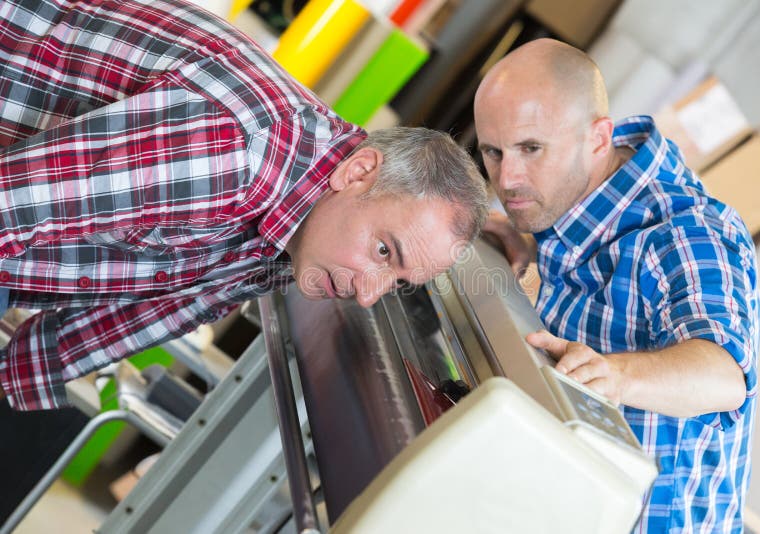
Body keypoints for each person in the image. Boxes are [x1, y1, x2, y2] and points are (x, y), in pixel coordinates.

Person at [0, 0, 488, 411]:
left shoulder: (300, 233)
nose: (367, 294)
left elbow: (163, 310)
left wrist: (15, 379)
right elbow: (11, 205)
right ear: (358, 173)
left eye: (397, 284)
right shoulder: (235, 151)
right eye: (385, 253)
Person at [475, 39, 759, 533]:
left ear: (598, 138)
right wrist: (518, 236)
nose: (508, 178)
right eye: (492, 153)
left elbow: (724, 375)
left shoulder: (685, 232)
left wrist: (615, 375)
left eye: (530, 148)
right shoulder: (570, 188)